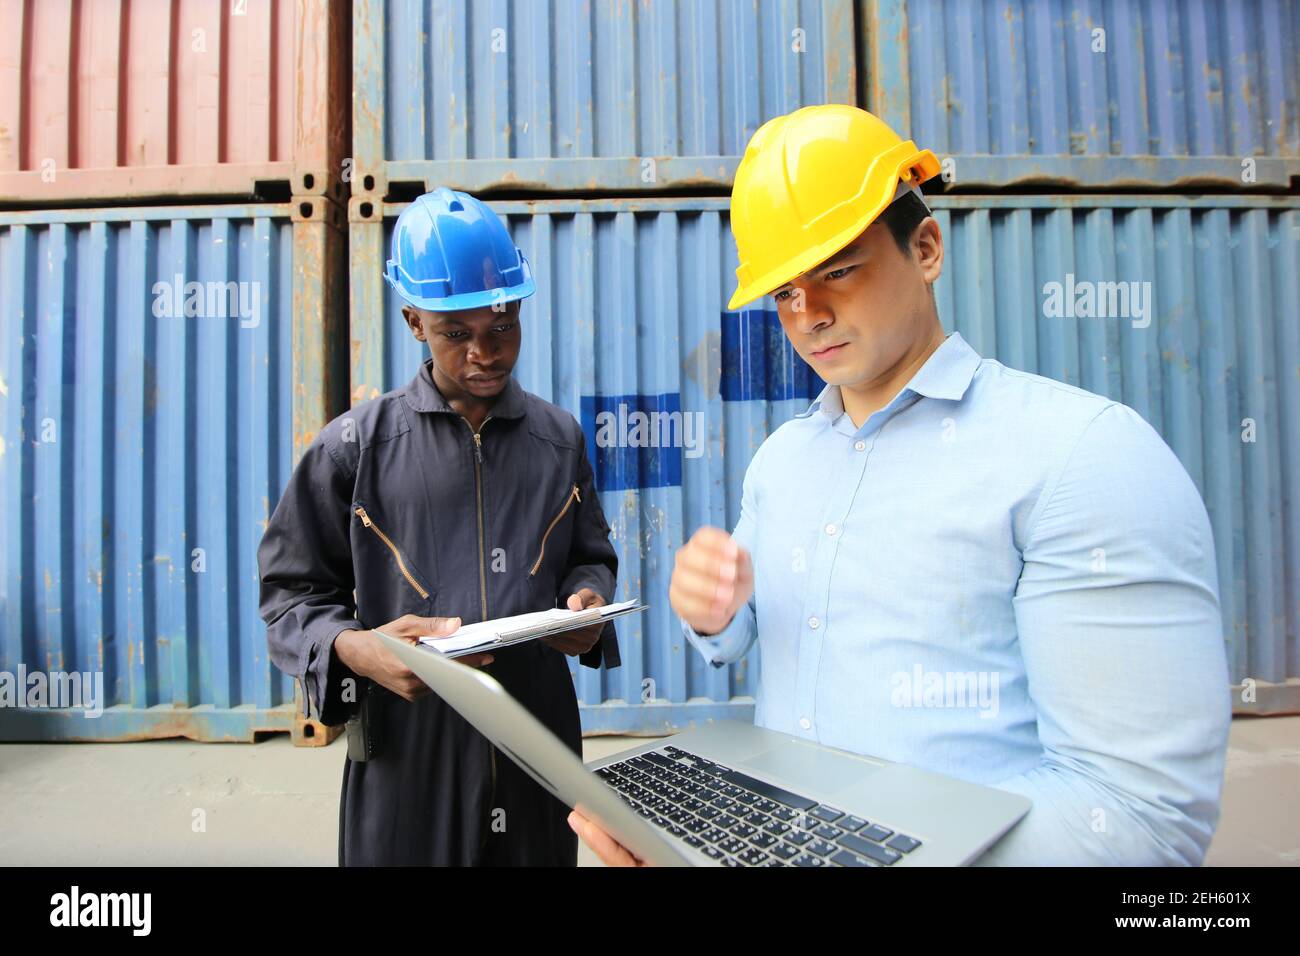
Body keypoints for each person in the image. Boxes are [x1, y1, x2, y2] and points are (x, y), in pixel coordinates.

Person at [569, 104, 1230, 866]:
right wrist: (715, 613)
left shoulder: (1082, 457)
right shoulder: (784, 460)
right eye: (785, 291)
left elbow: (1140, 817)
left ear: (925, 247)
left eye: (839, 269)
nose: (808, 313)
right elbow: (745, 636)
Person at [259, 187, 621, 865]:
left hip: (536, 749)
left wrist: (587, 602)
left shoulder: (559, 441)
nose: (485, 351)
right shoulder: (355, 449)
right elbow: (291, 597)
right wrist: (352, 650)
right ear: (414, 322)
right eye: (457, 332)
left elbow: (590, 557)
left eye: (503, 323)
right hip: (407, 755)